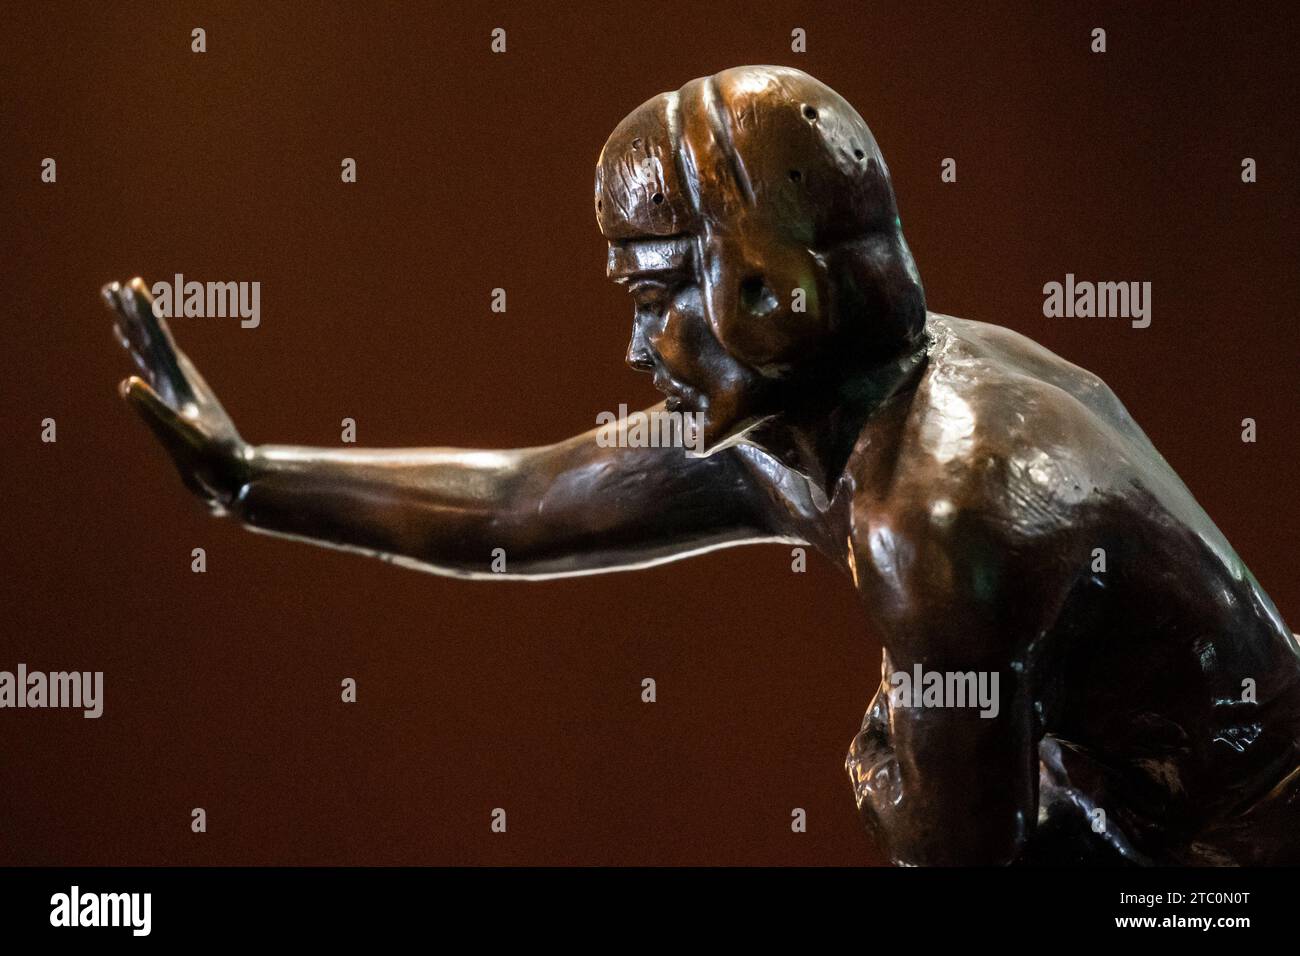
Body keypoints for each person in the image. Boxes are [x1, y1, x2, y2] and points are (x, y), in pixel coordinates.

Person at [103, 65, 1299, 865]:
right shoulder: (836, 423)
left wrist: (888, 776)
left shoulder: (934, 509)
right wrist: (252, 476)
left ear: (763, 293)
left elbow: (959, 859)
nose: (635, 347)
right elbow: (523, 500)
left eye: (648, 294)